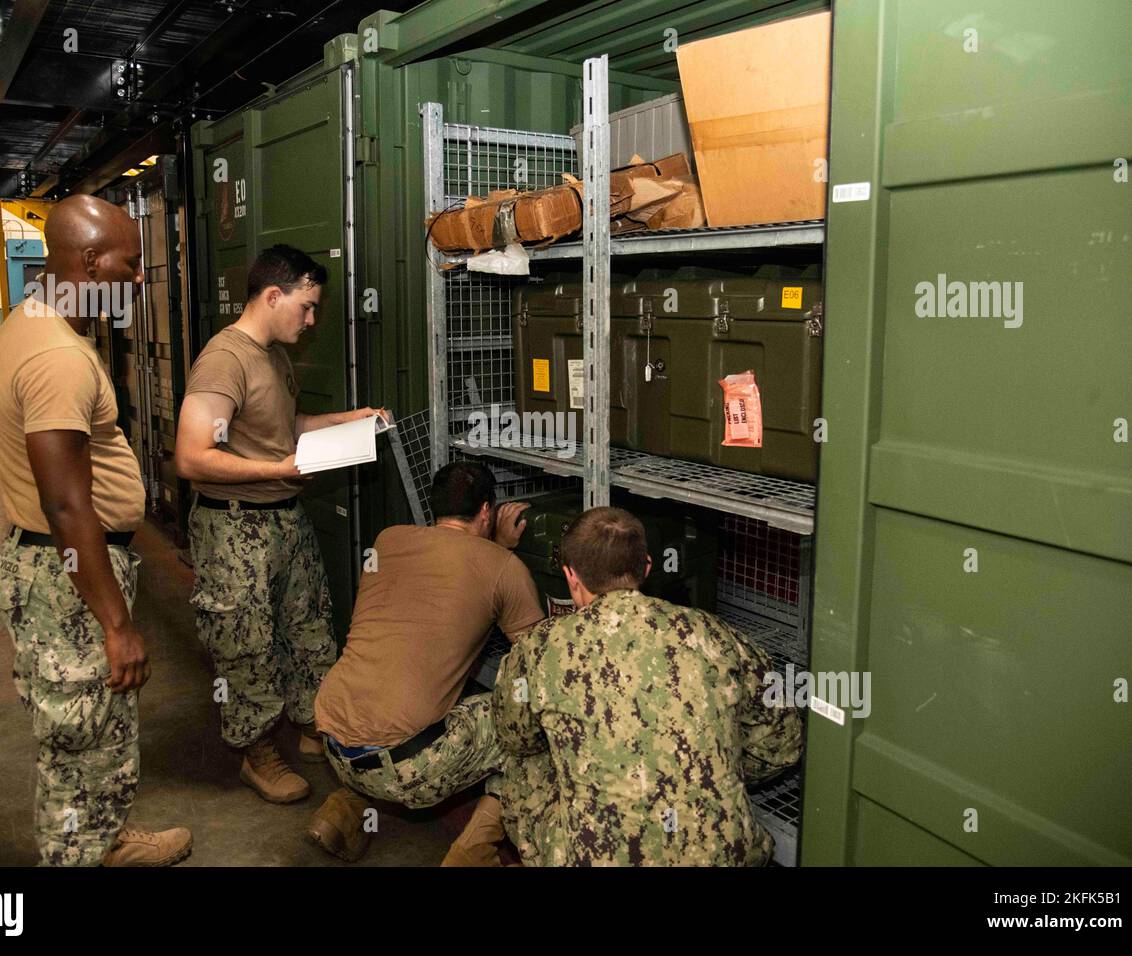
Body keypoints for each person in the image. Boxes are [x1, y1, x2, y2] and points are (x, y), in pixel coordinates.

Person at [0, 194, 191, 866]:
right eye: (129, 265)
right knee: (77, 746)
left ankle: (106, 839)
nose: (136, 279)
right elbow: (67, 505)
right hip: (67, 577)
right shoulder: (58, 359)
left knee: (97, 734)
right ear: (90, 258)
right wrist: (116, 624)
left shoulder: (31, 323)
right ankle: (79, 852)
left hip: (59, 567)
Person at [175, 243, 385, 804]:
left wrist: (350, 419)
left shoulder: (272, 354)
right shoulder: (225, 360)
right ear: (274, 295)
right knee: (246, 644)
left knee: (308, 629)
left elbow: (282, 426)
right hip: (234, 530)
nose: (312, 319)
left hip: (282, 522)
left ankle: (311, 725)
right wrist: (278, 470)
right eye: (307, 306)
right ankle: (256, 752)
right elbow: (193, 456)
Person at [491, 506, 804, 866]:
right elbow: (783, 742)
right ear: (648, 567)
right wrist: (713, 762)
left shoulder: (539, 647)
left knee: (522, 765)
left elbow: (514, 735)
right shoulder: (711, 632)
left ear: (570, 576)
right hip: (726, 855)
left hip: (599, 858)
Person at [304, 461, 541, 863]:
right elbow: (542, 665)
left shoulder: (387, 540)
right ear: (486, 511)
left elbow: (435, 591)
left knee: (389, 703)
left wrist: (489, 549)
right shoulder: (503, 568)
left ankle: (340, 815)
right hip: (409, 772)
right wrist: (499, 550)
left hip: (332, 741)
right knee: (526, 729)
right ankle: (472, 855)